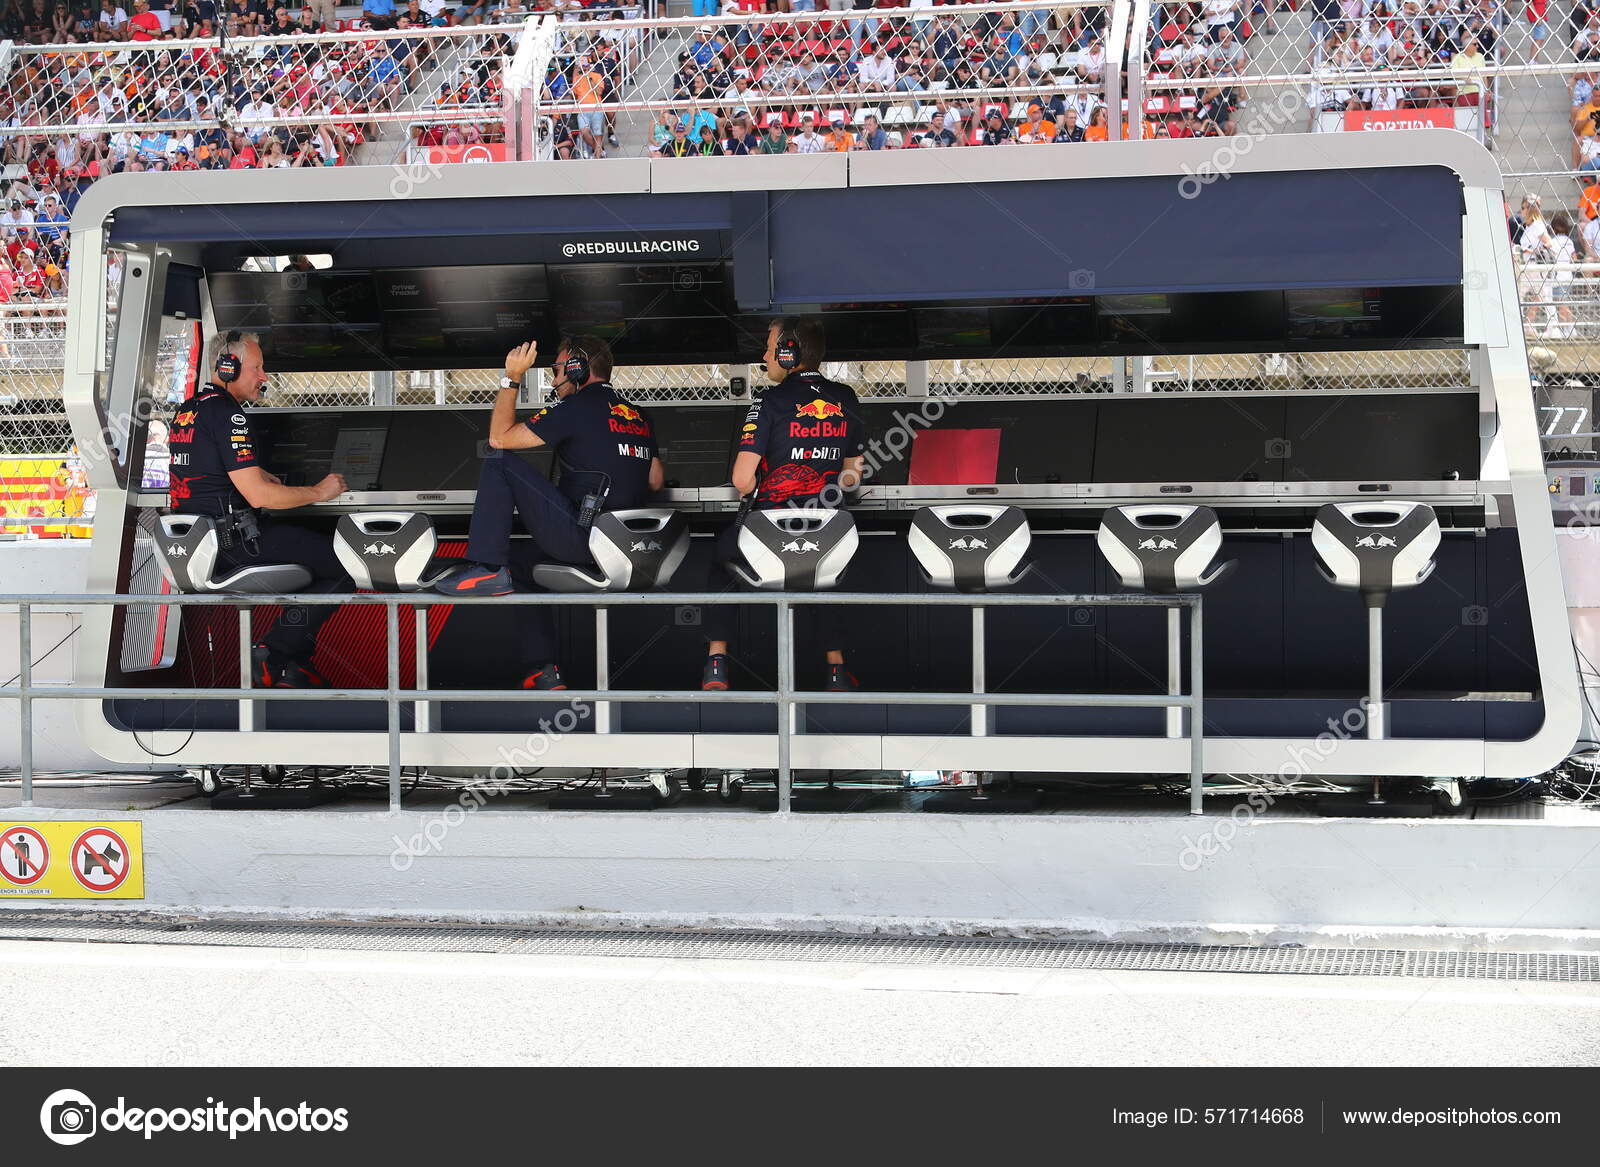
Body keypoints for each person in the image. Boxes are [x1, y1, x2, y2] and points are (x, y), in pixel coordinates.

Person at [433, 336, 665, 691]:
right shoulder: (638, 415)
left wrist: (511, 379)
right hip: (627, 546)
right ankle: (542, 670)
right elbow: (655, 480)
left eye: (556, 370)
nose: (554, 380)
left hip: (585, 541)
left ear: (577, 368)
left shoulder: (574, 409)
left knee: (499, 464)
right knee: (521, 565)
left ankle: (486, 568)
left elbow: (500, 438)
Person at [168, 331, 350, 688]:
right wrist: (319, 491)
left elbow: (212, 472)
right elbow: (259, 497)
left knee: (312, 548)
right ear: (228, 366)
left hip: (198, 544)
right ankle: (274, 653)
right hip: (236, 544)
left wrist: (261, 474)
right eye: (258, 368)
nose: (264, 377)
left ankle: (290, 664)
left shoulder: (189, 409)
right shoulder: (228, 413)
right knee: (346, 564)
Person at [699, 317, 866, 693]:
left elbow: (742, 480)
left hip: (769, 544)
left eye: (770, 347)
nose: (764, 355)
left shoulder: (768, 402)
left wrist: (765, 483)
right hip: (825, 536)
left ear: (788, 353)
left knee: (720, 557)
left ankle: (717, 663)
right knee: (823, 571)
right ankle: (837, 670)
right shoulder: (847, 398)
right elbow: (853, 477)